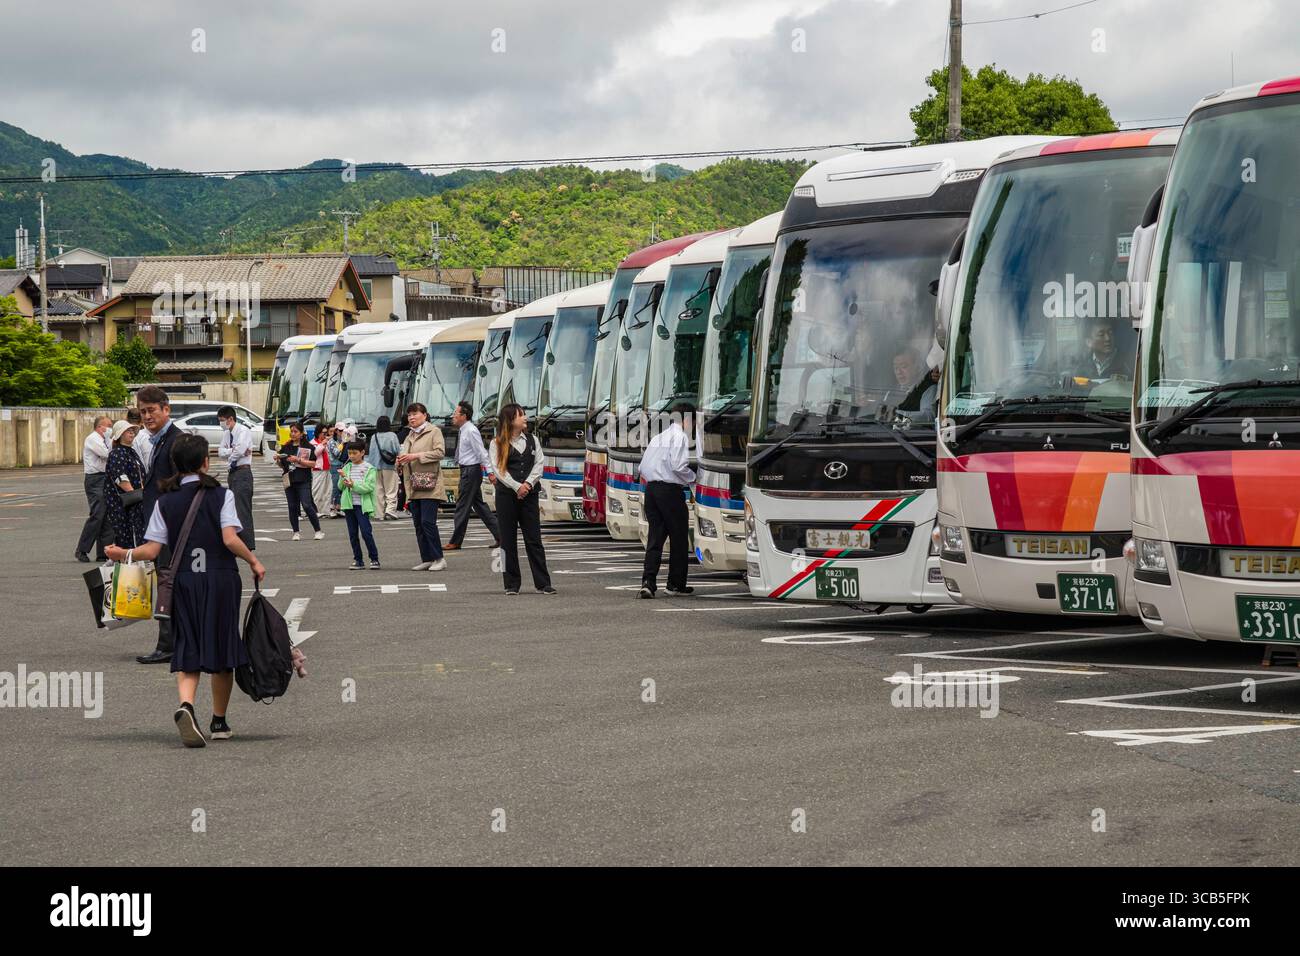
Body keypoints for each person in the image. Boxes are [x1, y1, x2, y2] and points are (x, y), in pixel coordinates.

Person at [106, 433, 266, 748]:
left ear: (175, 465)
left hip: (183, 582)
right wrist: (254, 561)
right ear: (206, 461)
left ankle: (187, 706)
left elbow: (152, 551)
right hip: (220, 579)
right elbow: (230, 538)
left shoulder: (165, 501)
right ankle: (219, 721)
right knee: (222, 647)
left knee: (188, 644)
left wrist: (121, 553)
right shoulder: (222, 495)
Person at [136, 385, 182, 665]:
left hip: (170, 528)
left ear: (166, 409)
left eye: (152, 410)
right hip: (160, 526)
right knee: (167, 583)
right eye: (142, 412)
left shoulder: (176, 441)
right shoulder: (158, 441)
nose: (147, 417)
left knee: (167, 583)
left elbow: (181, 485)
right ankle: (173, 642)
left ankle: (168, 644)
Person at [488, 403, 555, 595]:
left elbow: (539, 464)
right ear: (510, 420)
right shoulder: (497, 443)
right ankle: (511, 584)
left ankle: (543, 583)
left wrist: (528, 485)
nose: (525, 418)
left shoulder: (533, 440)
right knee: (507, 540)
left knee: (534, 538)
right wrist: (517, 486)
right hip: (506, 496)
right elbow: (499, 470)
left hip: (529, 495)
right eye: (521, 416)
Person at [637, 402, 696, 599]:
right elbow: (678, 466)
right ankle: (675, 584)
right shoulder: (679, 437)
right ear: (687, 420)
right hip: (669, 492)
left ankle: (648, 582)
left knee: (655, 538)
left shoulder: (658, 437)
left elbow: (642, 467)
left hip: (651, 490)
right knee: (679, 537)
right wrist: (693, 479)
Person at [396, 402, 448, 571]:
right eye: (409, 415)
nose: (411, 417)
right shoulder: (409, 435)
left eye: (415, 414)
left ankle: (439, 558)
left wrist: (416, 456)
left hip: (430, 484)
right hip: (413, 485)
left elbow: (440, 453)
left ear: (424, 415)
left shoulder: (434, 431)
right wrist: (400, 461)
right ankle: (427, 558)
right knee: (418, 523)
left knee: (427, 522)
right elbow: (405, 455)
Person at [446, 401, 500, 550]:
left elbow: (482, 453)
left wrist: (490, 472)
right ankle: (501, 535)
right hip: (467, 470)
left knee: (462, 506)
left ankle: (455, 541)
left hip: (471, 471)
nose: (453, 416)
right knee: (479, 506)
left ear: (464, 415)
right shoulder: (464, 430)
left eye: (456, 414)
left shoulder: (471, 430)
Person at [74, 415, 114, 563]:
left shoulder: (105, 439)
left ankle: (104, 551)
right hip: (95, 479)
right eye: (108, 425)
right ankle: (82, 549)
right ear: (99, 427)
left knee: (108, 516)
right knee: (97, 514)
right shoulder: (93, 439)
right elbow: (106, 454)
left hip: (105, 477)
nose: (110, 428)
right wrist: (111, 441)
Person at [216, 406, 256, 551]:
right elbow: (221, 452)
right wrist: (232, 451)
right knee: (233, 509)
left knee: (242, 509)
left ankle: (247, 544)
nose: (221, 424)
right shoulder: (227, 434)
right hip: (232, 473)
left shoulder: (243, 431)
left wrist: (232, 454)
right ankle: (238, 542)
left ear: (230, 419)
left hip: (242, 472)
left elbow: (240, 450)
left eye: (222, 420)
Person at [276, 422, 324, 541]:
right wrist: (278, 460)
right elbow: (283, 466)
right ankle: (296, 532)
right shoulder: (286, 446)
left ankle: (318, 530)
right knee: (292, 506)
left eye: (295, 431)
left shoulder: (308, 447)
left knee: (307, 504)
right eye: (291, 431)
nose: (292, 434)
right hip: (289, 479)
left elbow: (313, 463)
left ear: (301, 433)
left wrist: (298, 460)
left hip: (303, 479)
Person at [104, 420, 146, 550]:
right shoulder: (117, 453)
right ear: (120, 434)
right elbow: (120, 478)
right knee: (125, 535)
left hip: (134, 500)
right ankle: (125, 565)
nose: (132, 433)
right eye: (129, 431)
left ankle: (132, 563)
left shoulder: (131, 452)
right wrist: (135, 494)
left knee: (135, 533)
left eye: (133, 431)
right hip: (123, 503)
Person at [338, 441, 381, 570]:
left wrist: (353, 485)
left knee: (366, 532)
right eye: (349, 453)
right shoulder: (347, 467)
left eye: (354, 453)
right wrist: (343, 479)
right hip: (349, 505)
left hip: (362, 505)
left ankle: (374, 559)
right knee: (352, 534)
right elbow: (340, 487)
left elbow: (369, 487)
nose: (351, 456)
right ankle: (358, 560)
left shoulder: (369, 468)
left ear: (362, 453)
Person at [366, 415, 401, 520]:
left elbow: (371, 454)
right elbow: (397, 450)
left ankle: (379, 513)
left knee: (378, 490)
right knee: (391, 489)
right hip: (389, 466)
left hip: (375, 467)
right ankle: (390, 510)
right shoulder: (392, 435)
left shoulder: (374, 436)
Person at [326, 423, 350, 518]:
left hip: (343, 465)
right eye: (340, 431)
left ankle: (339, 507)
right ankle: (332, 508)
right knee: (335, 487)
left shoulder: (344, 440)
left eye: (344, 430)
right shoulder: (331, 441)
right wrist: (343, 444)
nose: (342, 432)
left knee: (341, 487)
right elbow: (336, 453)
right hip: (335, 466)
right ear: (336, 431)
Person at [310, 424, 334, 515]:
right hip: (317, 470)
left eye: (326, 433)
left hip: (327, 469)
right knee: (317, 490)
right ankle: (315, 510)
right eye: (323, 433)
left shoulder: (326, 442)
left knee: (327, 491)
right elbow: (314, 454)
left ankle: (325, 510)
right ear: (318, 433)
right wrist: (322, 444)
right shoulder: (312, 443)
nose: (325, 435)